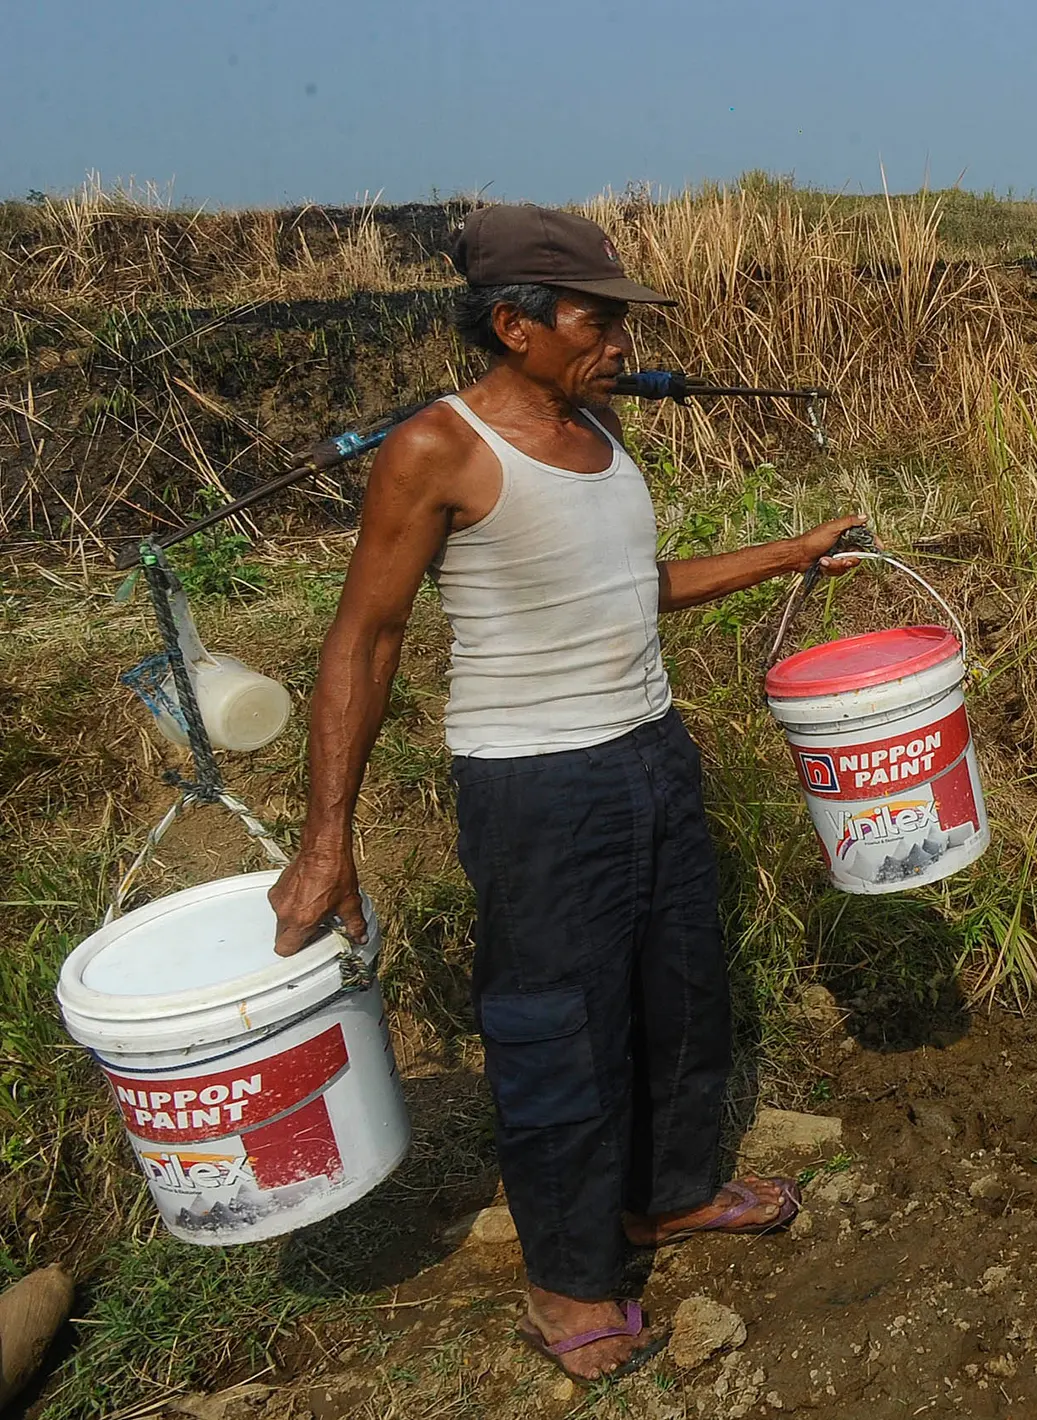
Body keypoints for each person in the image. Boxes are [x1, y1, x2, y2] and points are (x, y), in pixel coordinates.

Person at [267, 204, 866, 1381]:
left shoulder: (597, 426)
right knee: (558, 1032)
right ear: (514, 324)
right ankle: (568, 1272)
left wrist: (789, 553)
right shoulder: (438, 449)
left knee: (680, 991)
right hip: (535, 787)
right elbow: (365, 637)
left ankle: (668, 1195)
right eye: (596, 319)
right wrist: (325, 838)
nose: (616, 341)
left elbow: (628, 589)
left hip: (648, 751)